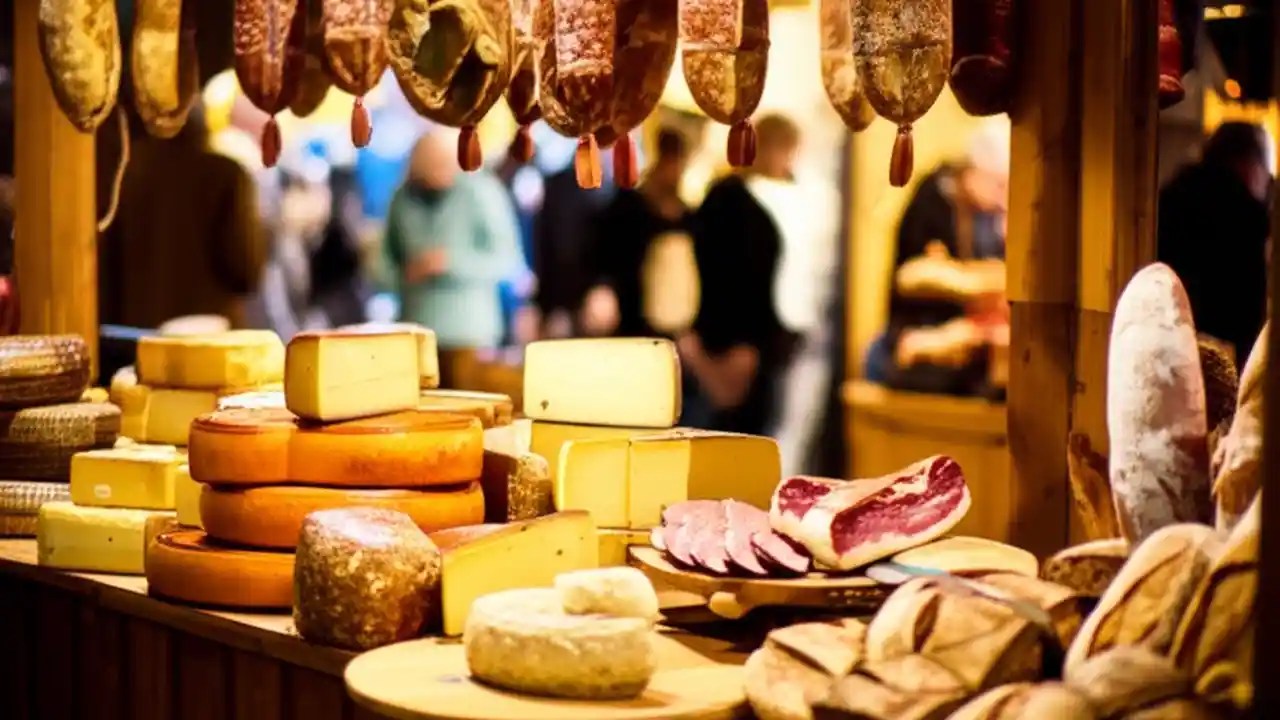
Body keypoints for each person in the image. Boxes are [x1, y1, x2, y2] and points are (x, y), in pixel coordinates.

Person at [864, 118, 1010, 396]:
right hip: (918, 336)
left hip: (970, 335)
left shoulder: (990, 214)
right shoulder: (936, 197)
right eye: (998, 185)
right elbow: (912, 276)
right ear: (972, 171)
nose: (1002, 199)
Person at [677, 114, 798, 436]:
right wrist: (731, 350)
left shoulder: (740, 199)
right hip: (729, 353)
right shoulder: (730, 203)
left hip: (736, 349)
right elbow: (726, 280)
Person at [99, 104, 267, 329]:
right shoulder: (226, 174)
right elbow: (245, 270)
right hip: (210, 336)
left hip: (139, 336)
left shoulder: (125, 176)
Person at [379, 130, 524, 385]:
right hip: (415, 332)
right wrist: (405, 274)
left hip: (470, 336)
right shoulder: (402, 198)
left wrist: (450, 262)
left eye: (442, 163)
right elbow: (384, 260)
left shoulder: (482, 192)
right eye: (429, 165)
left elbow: (506, 258)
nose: (437, 171)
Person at [1158, 121, 1272, 367]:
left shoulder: (1171, 198)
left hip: (1168, 345)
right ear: (1250, 165)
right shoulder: (1246, 217)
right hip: (1220, 359)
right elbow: (1247, 311)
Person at [584, 127, 692, 338]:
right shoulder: (626, 209)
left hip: (678, 324)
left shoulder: (688, 215)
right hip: (631, 320)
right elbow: (604, 256)